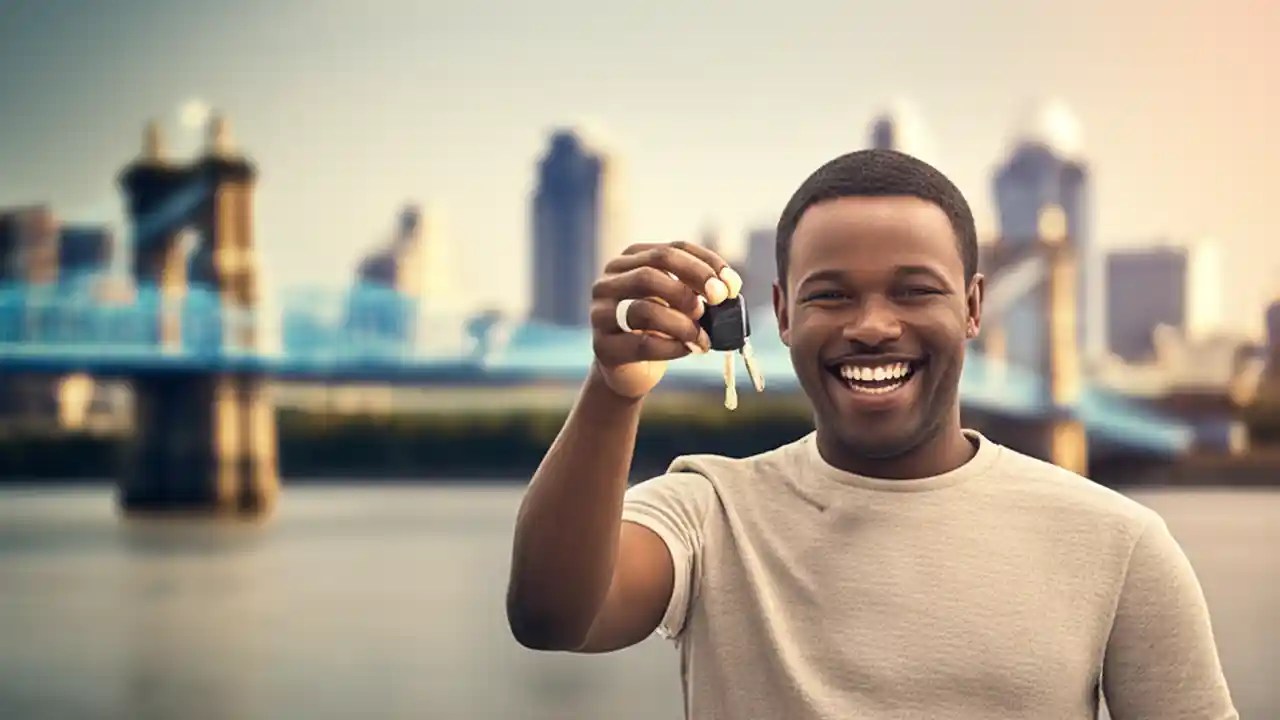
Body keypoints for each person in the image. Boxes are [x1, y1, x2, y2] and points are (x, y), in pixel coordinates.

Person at [505, 149, 1237, 719]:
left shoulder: (1119, 543)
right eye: (831, 295)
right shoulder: (707, 512)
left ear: (975, 307)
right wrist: (612, 389)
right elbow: (555, 614)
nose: (872, 326)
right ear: (782, 315)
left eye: (915, 290)